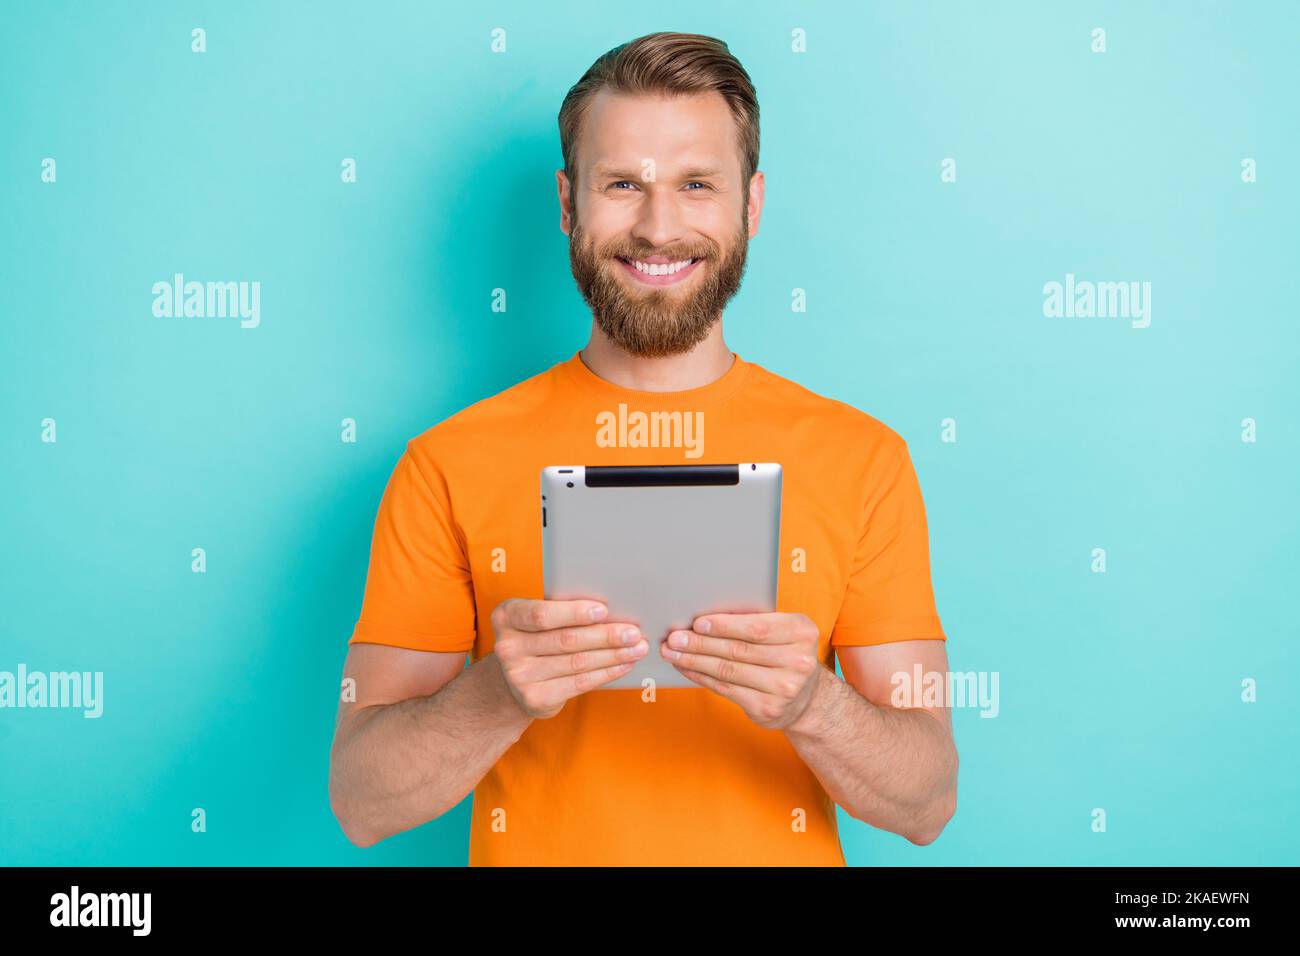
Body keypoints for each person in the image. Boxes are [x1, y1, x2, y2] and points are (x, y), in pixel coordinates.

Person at [328, 31, 957, 866]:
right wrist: (497, 694)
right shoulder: (445, 464)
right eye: (622, 184)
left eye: (698, 184)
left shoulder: (864, 459)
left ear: (752, 205)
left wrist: (812, 702)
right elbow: (362, 804)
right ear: (566, 204)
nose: (659, 229)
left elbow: (928, 802)